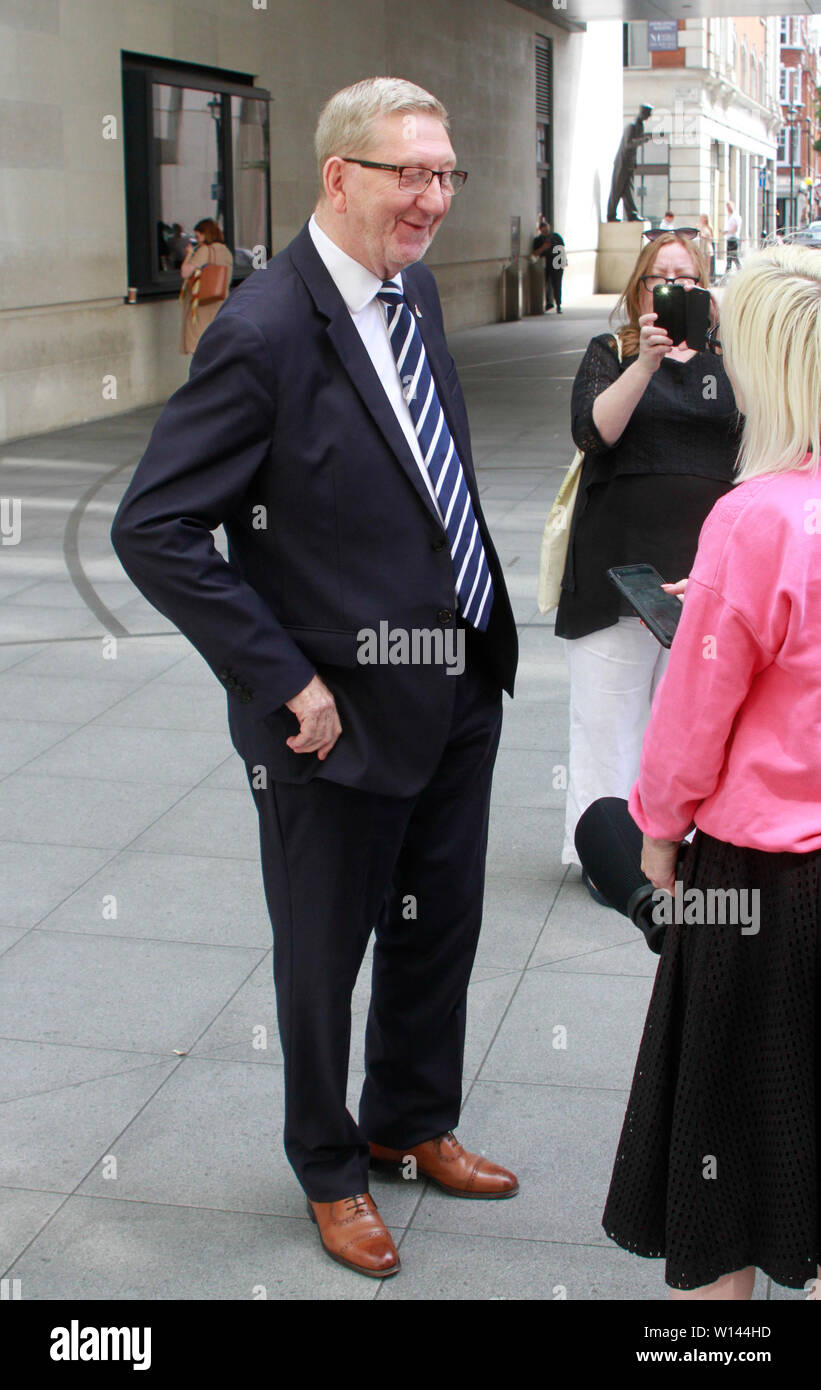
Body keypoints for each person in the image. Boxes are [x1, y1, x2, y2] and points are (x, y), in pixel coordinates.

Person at [110, 77, 519, 1281]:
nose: (434, 200)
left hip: (451, 683)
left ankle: (408, 1117)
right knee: (321, 953)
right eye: (411, 175)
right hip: (327, 721)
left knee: (437, 927)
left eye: (445, 175)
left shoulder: (415, 292)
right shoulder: (263, 328)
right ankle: (330, 1166)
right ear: (339, 176)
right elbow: (156, 527)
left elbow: (416, 476)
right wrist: (285, 679)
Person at [602, 243, 821, 1298]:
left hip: (759, 879)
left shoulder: (751, 518)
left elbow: (695, 713)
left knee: (715, 1166)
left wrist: (653, 830)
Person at [554, 231, 741, 883]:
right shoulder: (609, 354)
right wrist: (646, 362)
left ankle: (675, 849)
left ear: (706, 290)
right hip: (618, 569)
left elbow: (764, 437)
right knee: (607, 717)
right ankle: (603, 854)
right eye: (658, 278)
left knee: (690, 724)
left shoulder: (734, 363)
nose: (672, 288)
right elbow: (592, 431)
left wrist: (730, 340)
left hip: (706, 576)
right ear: (637, 291)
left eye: (686, 279)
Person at [179, 218, 233, 354]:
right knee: (217, 344)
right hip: (221, 301)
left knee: (198, 343)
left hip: (203, 302)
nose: (197, 240)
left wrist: (189, 255)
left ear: (206, 234)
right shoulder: (226, 252)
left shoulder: (205, 250)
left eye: (198, 236)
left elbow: (185, 272)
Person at [533, 217, 566, 313]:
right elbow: (535, 253)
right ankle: (547, 303)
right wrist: (543, 247)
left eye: (546, 228)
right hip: (545, 265)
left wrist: (563, 262)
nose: (545, 231)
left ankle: (558, 304)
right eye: (543, 229)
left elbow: (562, 249)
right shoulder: (538, 240)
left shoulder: (556, 237)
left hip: (557, 264)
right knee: (545, 284)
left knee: (557, 284)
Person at [724, 200, 742, 273]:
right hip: (731, 238)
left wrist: (727, 232)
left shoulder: (735, 217)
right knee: (732, 257)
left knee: (731, 256)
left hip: (733, 239)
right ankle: (737, 269)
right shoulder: (732, 216)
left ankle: (730, 271)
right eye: (727, 207)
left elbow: (735, 228)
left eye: (729, 207)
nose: (728, 209)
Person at [698, 212, 715, 283]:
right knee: (702, 263)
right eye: (703, 217)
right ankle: (702, 278)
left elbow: (711, 237)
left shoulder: (709, 227)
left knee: (708, 264)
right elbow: (698, 235)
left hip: (708, 245)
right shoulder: (699, 226)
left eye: (705, 217)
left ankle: (707, 279)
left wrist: (706, 237)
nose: (704, 219)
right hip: (702, 246)